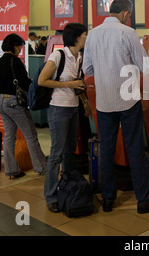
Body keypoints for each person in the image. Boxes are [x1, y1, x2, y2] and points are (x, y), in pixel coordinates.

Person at [83, 0, 149, 214]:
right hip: (127, 100)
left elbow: (88, 69)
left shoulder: (92, 34)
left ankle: (108, 199)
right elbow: (143, 66)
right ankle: (143, 201)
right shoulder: (128, 32)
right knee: (135, 149)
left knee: (107, 150)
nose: (129, 18)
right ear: (124, 13)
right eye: (129, 15)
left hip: (104, 102)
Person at [37, 23, 92, 213]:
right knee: (56, 154)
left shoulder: (80, 57)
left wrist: (84, 102)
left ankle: (68, 187)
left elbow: (78, 84)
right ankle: (50, 196)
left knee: (69, 152)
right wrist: (69, 83)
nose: (87, 36)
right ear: (76, 37)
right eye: (85, 34)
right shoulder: (58, 55)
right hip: (58, 110)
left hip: (73, 109)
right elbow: (42, 80)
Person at [0, 33, 47, 179]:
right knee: (31, 135)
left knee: (9, 137)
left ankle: (11, 169)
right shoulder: (15, 61)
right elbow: (24, 82)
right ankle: (42, 167)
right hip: (14, 103)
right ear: (14, 46)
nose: (20, 49)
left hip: (2, 101)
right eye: (19, 46)